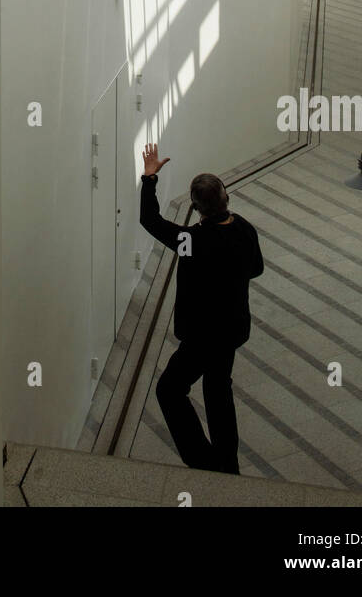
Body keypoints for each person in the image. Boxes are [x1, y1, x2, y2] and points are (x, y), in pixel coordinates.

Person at [139, 142, 264, 474]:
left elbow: (150, 221)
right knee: (218, 390)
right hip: (231, 331)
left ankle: (202, 460)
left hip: (200, 337)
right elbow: (256, 269)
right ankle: (227, 464)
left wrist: (149, 178)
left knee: (169, 389)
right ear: (227, 200)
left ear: (196, 209)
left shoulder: (189, 241)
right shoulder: (245, 230)